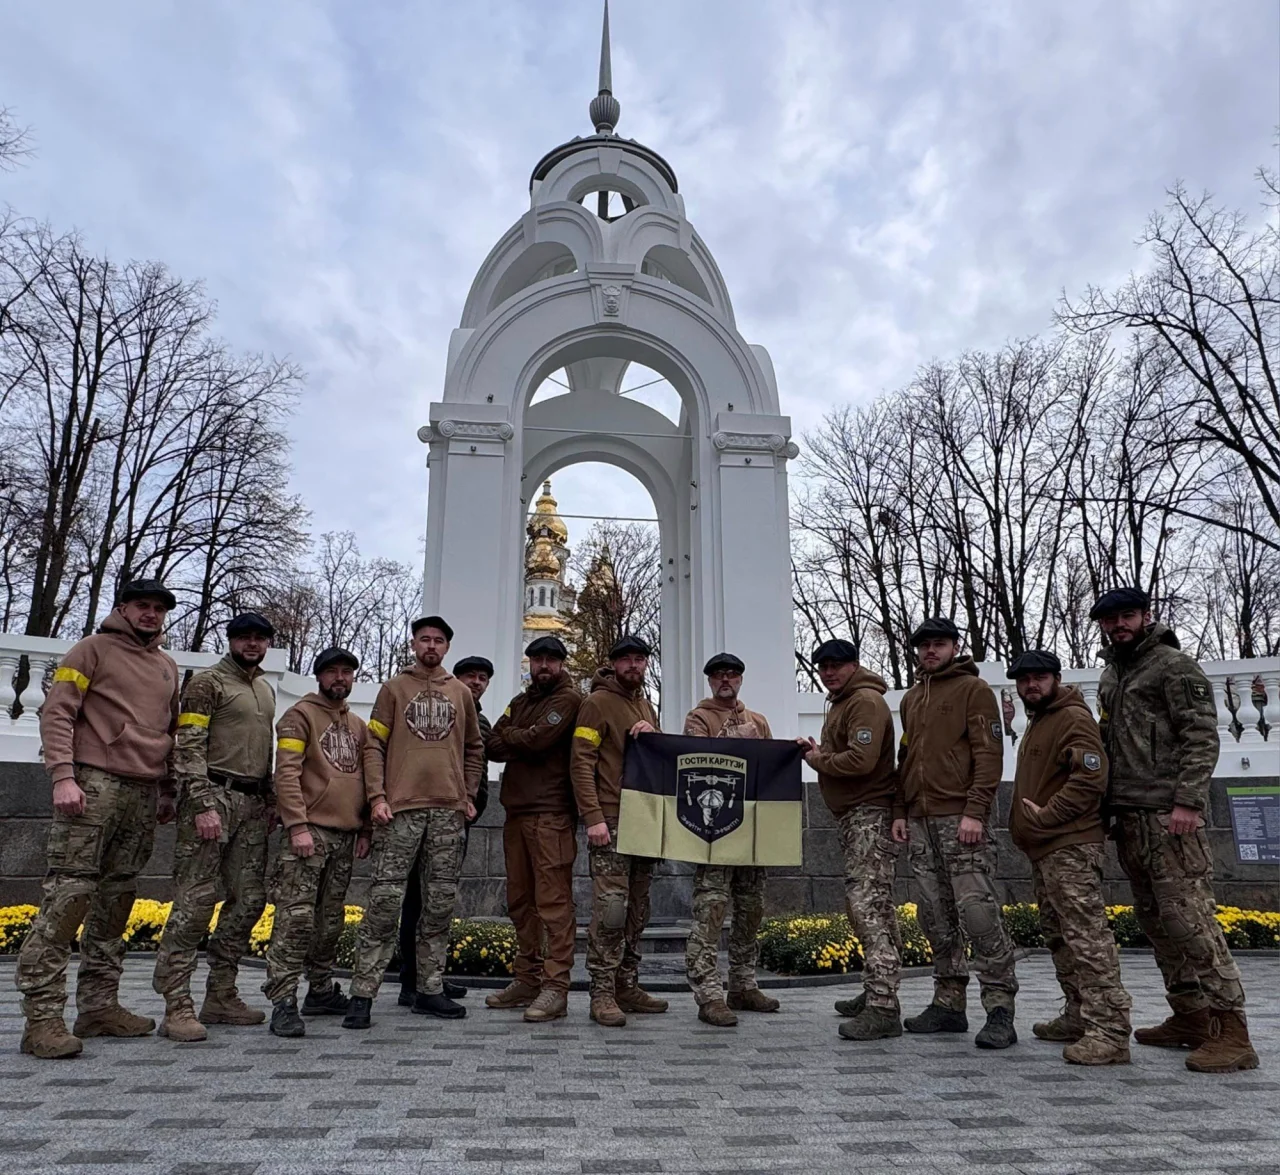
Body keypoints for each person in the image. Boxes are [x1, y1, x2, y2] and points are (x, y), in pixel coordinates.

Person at [1093, 587, 1258, 1072]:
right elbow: (1109, 744)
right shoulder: (1112, 673)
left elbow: (1202, 734)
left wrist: (1189, 801)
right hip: (1129, 817)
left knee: (1191, 922)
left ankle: (1234, 1031)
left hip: (1169, 818)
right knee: (1157, 923)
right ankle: (1190, 1015)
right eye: (1110, 619)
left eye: (1127, 616)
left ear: (1146, 616)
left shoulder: (1173, 666)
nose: (1119, 624)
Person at [16, 580, 180, 1059]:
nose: (150, 614)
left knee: (117, 898)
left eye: (158, 608)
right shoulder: (90, 651)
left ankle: (98, 1006)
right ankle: (42, 1020)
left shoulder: (167, 666)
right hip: (93, 783)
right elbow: (58, 712)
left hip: (142, 790)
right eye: (142, 606)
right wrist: (63, 777)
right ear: (122, 608)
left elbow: (169, 730)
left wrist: (167, 789)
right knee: (69, 895)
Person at [342, 616, 483, 1029]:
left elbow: (474, 747)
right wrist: (377, 798)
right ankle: (362, 994)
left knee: (439, 906)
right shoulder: (394, 689)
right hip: (400, 811)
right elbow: (374, 746)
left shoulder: (459, 693)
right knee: (384, 905)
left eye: (439, 640)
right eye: (425, 639)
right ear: (414, 644)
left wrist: (468, 795)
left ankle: (429, 989)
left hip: (447, 813)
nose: (432, 646)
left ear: (447, 647)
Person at [893, 617, 1019, 1049]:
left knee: (978, 913)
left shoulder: (974, 690)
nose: (931, 651)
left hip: (961, 819)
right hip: (921, 821)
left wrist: (976, 811)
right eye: (924, 645)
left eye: (940, 644)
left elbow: (989, 753)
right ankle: (948, 1003)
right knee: (934, 915)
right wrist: (901, 811)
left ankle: (1000, 1007)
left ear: (954, 647)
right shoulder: (912, 698)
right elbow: (905, 757)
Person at [152, 611, 277, 1042]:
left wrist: (271, 800)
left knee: (249, 900)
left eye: (259, 638)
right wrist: (201, 802)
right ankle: (176, 1003)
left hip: (253, 803)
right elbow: (187, 744)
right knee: (196, 901)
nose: (252, 644)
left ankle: (221, 994)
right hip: (212, 797)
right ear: (231, 641)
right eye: (244, 637)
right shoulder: (208, 683)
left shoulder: (263, 688)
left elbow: (266, 752)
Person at [1007, 649, 1132, 1065]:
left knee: (1087, 938)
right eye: (1024, 680)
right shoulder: (1042, 719)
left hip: (1070, 845)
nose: (1031, 685)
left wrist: (1048, 816)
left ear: (1056, 678)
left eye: (1039, 678)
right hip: (1047, 848)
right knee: (1060, 935)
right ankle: (1079, 1014)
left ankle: (1110, 1031)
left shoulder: (1073, 717)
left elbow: (1091, 778)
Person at [261, 647, 373, 1037]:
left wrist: (365, 829)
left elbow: (365, 779)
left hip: (344, 836)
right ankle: (283, 1000)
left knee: (330, 921)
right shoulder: (299, 716)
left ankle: (321, 990)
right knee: (296, 920)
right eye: (332, 672)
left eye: (347, 672)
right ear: (319, 677)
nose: (340, 678)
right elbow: (286, 774)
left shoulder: (358, 726)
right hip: (308, 834)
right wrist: (296, 825)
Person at [796, 639, 901, 1041]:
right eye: (822, 666)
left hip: (869, 815)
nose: (828, 671)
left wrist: (817, 759)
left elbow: (861, 760)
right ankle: (878, 988)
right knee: (874, 905)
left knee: (867, 906)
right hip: (856, 816)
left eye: (837, 665)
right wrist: (821, 752)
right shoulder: (844, 702)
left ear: (854, 665)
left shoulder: (864, 702)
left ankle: (883, 1006)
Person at [485, 635, 583, 1022]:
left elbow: (541, 740)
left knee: (553, 904)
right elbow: (492, 743)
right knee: (520, 902)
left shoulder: (569, 699)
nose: (543, 666)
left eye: (551, 660)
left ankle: (555, 987)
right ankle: (526, 978)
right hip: (516, 813)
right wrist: (520, 738)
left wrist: (517, 737)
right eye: (537, 659)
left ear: (561, 664)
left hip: (551, 814)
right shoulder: (522, 701)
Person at [571, 633, 666, 1027]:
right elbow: (581, 761)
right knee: (611, 909)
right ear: (614, 664)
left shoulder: (646, 704)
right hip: (609, 819)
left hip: (643, 819)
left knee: (637, 909)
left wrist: (654, 734)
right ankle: (603, 991)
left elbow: (656, 760)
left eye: (640, 659)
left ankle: (628, 983)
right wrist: (592, 817)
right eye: (625, 660)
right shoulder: (596, 704)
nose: (633, 666)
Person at [683, 652, 780, 1028]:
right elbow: (698, 760)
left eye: (733, 674)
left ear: (741, 679)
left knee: (751, 906)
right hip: (714, 830)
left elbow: (771, 766)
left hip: (751, 830)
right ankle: (708, 992)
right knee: (711, 908)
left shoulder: (758, 720)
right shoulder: (699, 718)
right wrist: (734, 738)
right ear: (710, 681)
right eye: (719, 675)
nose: (726, 680)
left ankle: (742, 983)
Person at [396, 653, 492, 1007]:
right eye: (470, 676)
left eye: (483, 678)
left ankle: (431, 977)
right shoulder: (437, 711)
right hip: (424, 820)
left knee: (439, 904)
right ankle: (411, 982)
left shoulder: (480, 721)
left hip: (458, 823)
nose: (476, 683)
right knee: (417, 902)